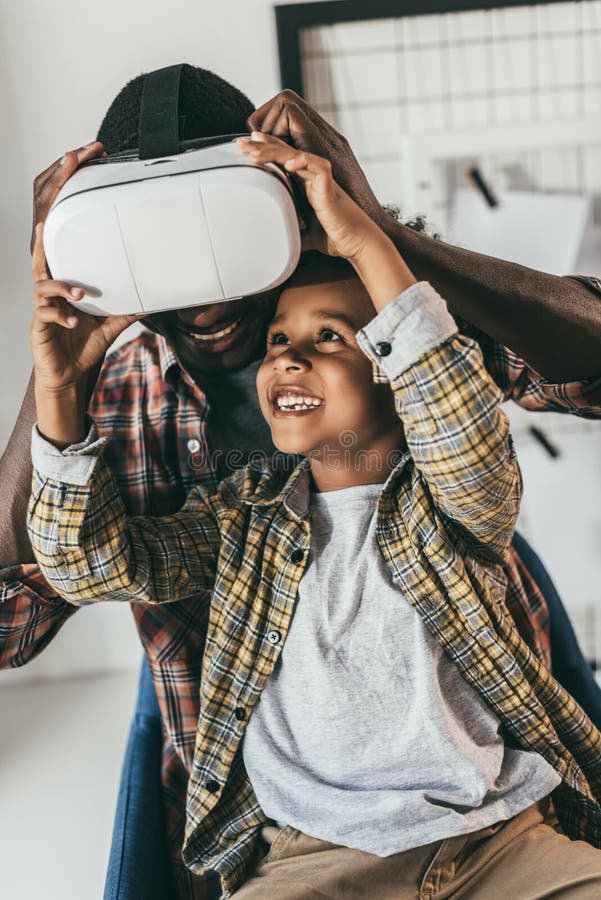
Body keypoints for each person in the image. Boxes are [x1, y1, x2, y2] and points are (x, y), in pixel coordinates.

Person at [2, 63, 601, 896]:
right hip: (290, 808)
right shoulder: (220, 500)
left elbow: (485, 401)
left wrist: (376, 235)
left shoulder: (369, 308)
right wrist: (54, 386)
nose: (281, 350)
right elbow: (26, 611)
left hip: (484, 782)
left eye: (327, 341)